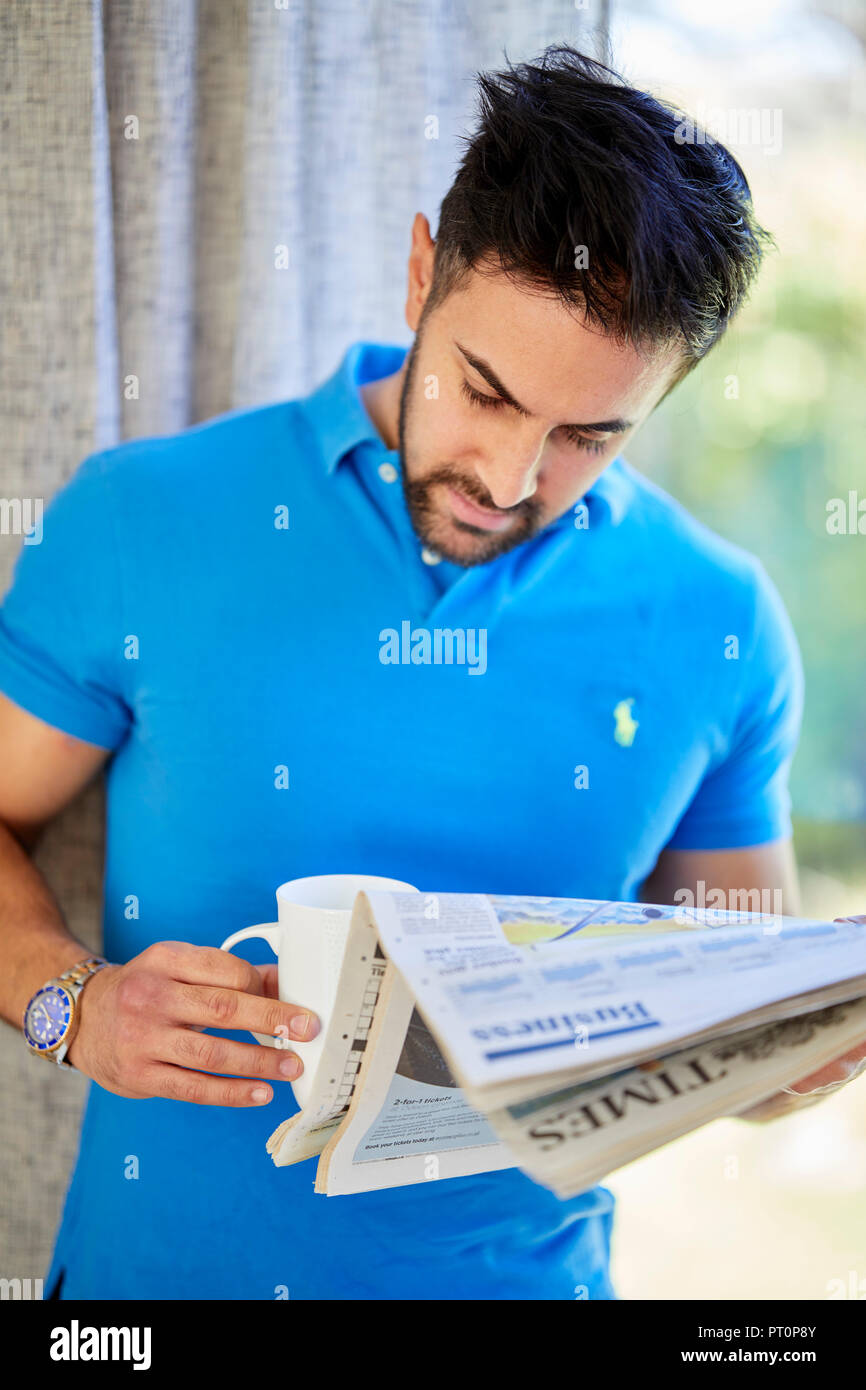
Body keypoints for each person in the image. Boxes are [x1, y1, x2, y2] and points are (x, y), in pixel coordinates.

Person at [1, 45, 859, 1302]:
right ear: (420, 273)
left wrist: (796, 1050)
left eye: (587, 436)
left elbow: (734, 1011)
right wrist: (71, 1005)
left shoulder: (716, 622)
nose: (508, 481)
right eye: (486, 390)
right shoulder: (144, 521)